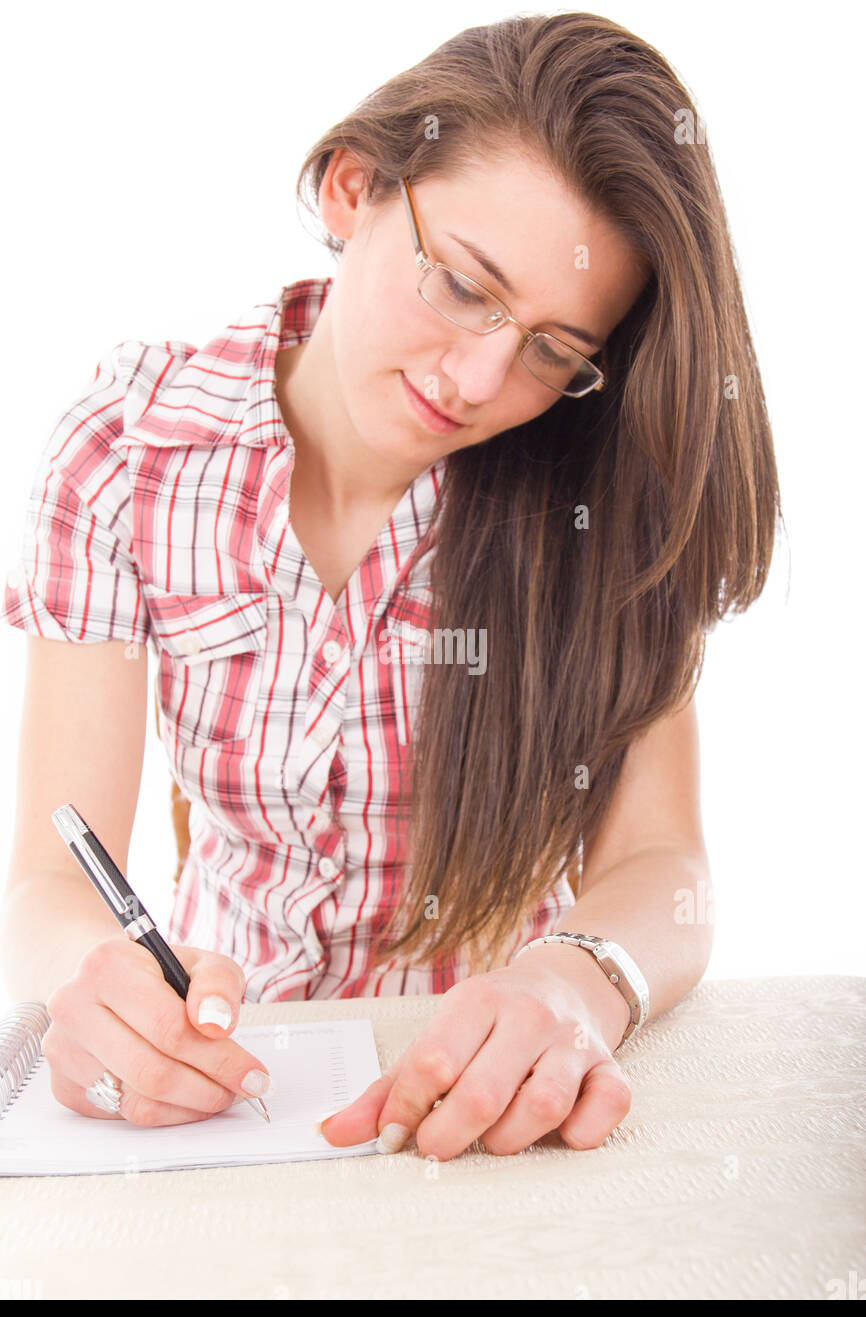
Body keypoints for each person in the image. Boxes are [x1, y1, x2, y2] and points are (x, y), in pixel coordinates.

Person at [0, 14, 780, 1162]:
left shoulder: (591, 501)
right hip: (226, 1094)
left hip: (486, 1113)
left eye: (551, 352)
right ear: (353, 188)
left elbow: (662, 871)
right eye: (463, 285)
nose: (476, 380)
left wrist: (574, 986)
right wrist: (95, 985)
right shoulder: (128, 455)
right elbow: (48, 878)